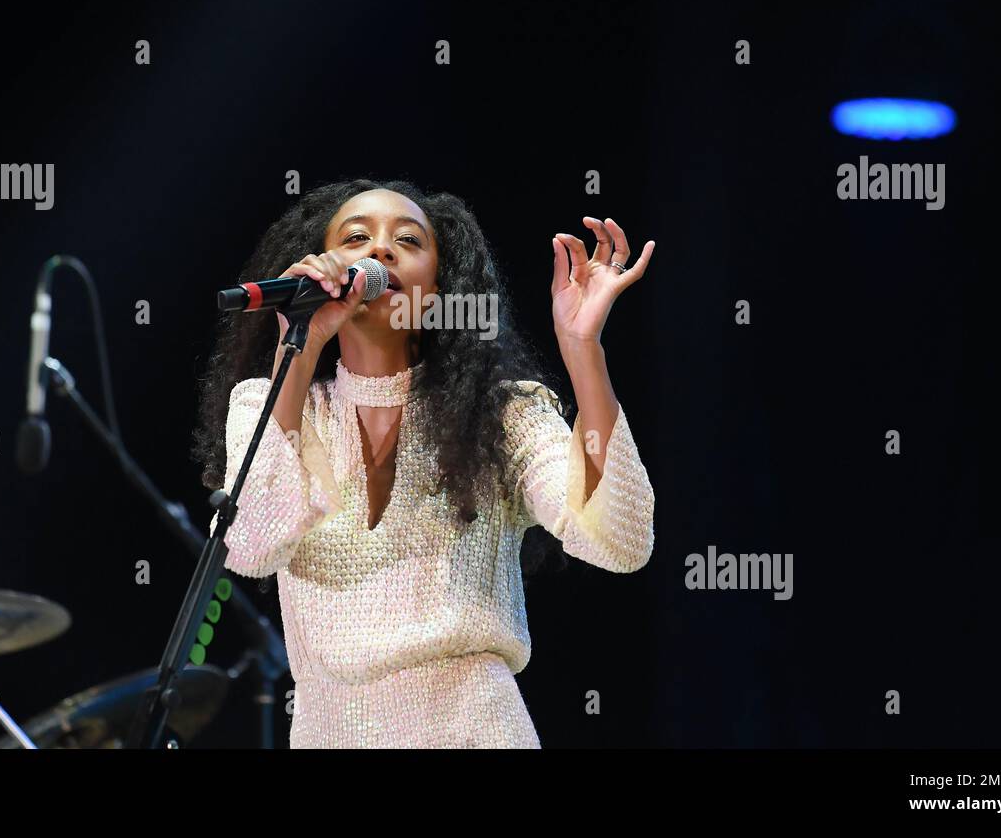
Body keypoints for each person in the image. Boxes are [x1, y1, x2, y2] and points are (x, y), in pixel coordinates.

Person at [192, 178, 656, 747]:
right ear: (324, 267)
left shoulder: (500, 414)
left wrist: (584, 349)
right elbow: (253, 546)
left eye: (407, 240)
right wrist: (303, 341)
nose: (381, 250)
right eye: (357, 237)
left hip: (475, 729)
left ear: (435, 291)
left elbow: (620, 540)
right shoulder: (272, 408)